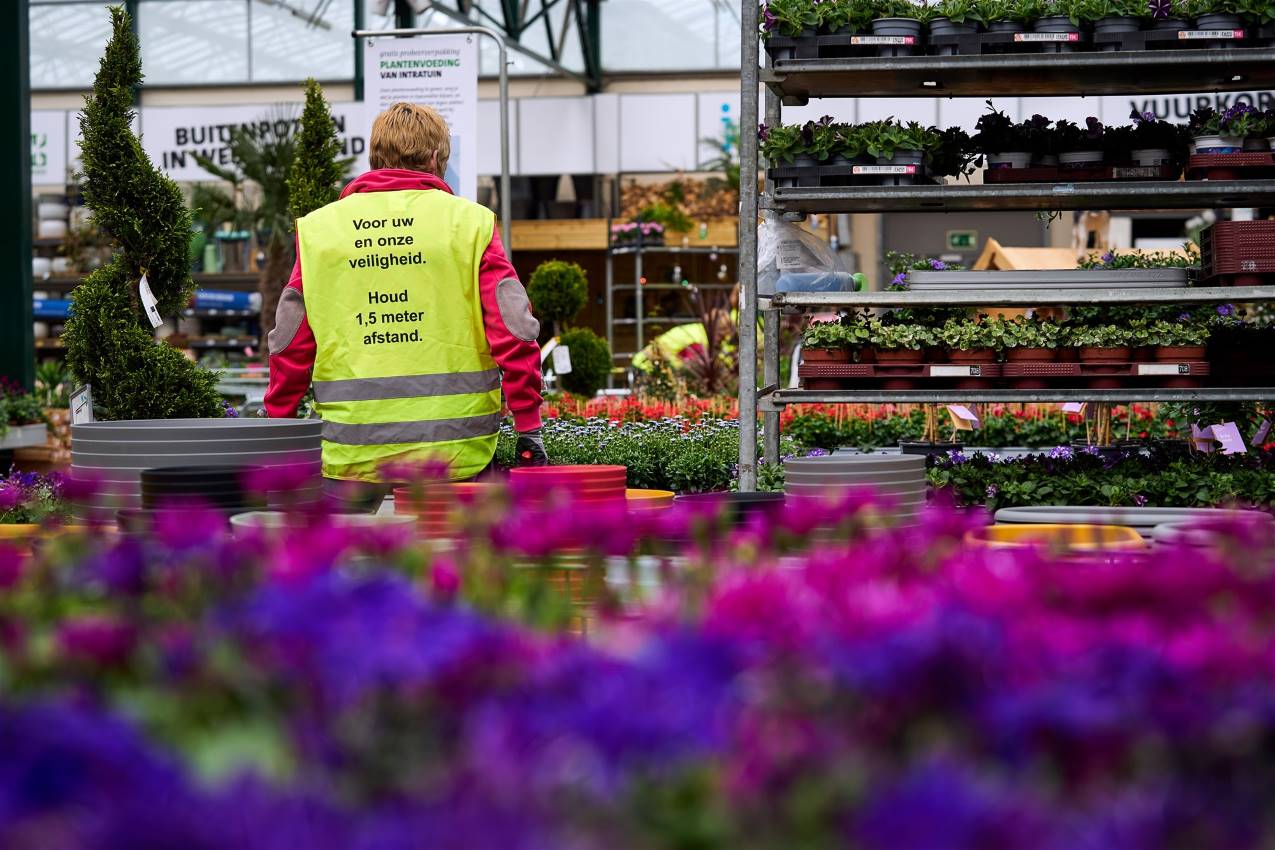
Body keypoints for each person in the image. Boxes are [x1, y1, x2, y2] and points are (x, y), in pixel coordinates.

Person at [264, 102, 547, 506]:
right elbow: (513, 329)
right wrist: (528, 425)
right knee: (459, 565)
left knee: (345, 566)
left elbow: (290, 342)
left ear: (375, 158)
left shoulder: (320, 231)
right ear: (435, 159)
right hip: (453, 455)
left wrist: (279, 426)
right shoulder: (470, 224)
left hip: (350, 452)